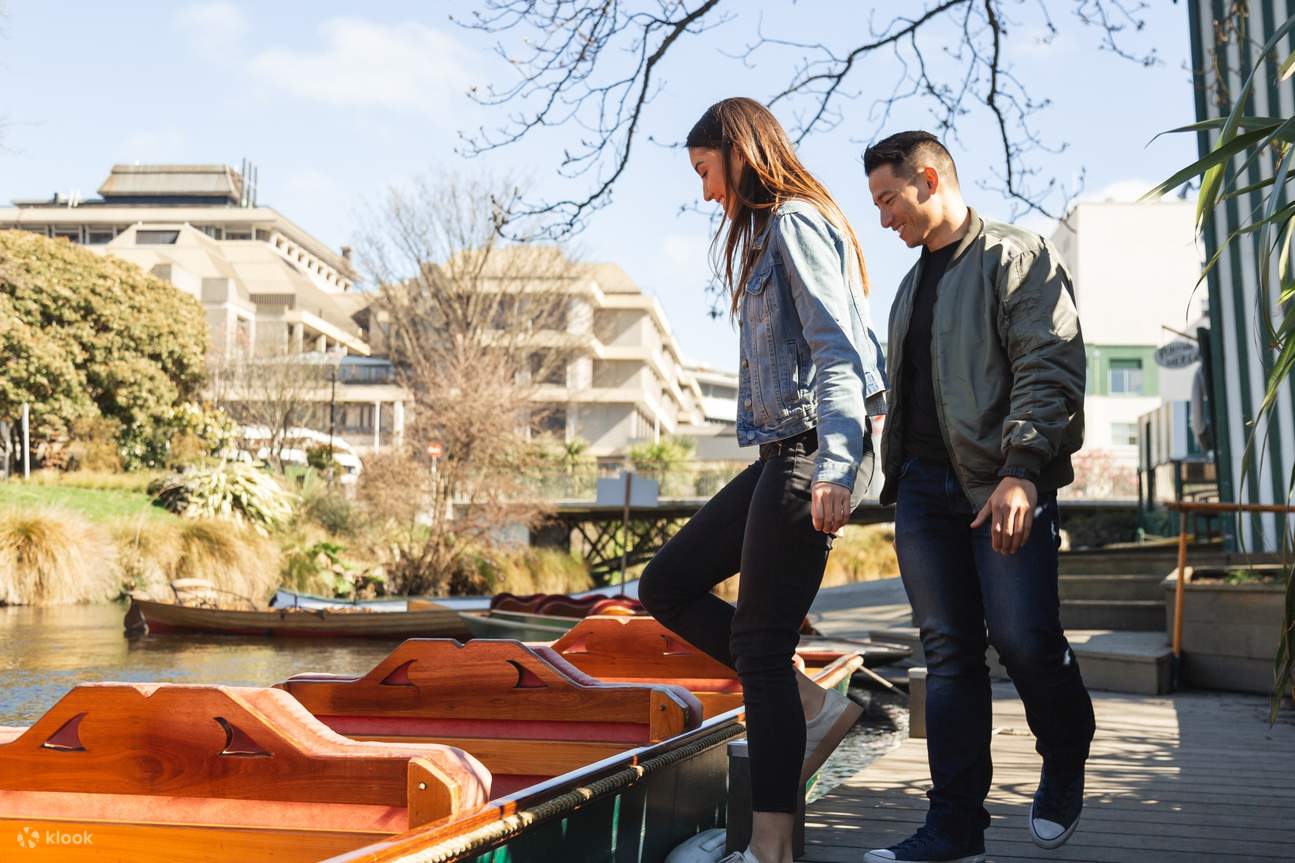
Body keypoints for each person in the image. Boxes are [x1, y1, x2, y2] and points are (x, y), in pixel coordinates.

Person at [638, 97, 888, 863]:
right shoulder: (774, 232)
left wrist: (839, 466)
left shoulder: (795, 222)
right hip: (780, 451)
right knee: (666, 584)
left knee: (758, 644)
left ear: (739, 153)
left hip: (813, 450)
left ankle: (770, 850)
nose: (706, 192)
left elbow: (841, 349)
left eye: (707, 171)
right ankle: (811, 701)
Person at [860, 131, 1095, 863]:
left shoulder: (1012, 256)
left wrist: (1021, 469)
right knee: (949, 656)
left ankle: (1063, 750)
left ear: (927, 179)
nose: (882, 218)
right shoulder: (906, 288)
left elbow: (1048, 361)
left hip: (1001, 484)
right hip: (924, 495)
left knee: (1024, 637)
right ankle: (955, 826)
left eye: (888, 199)